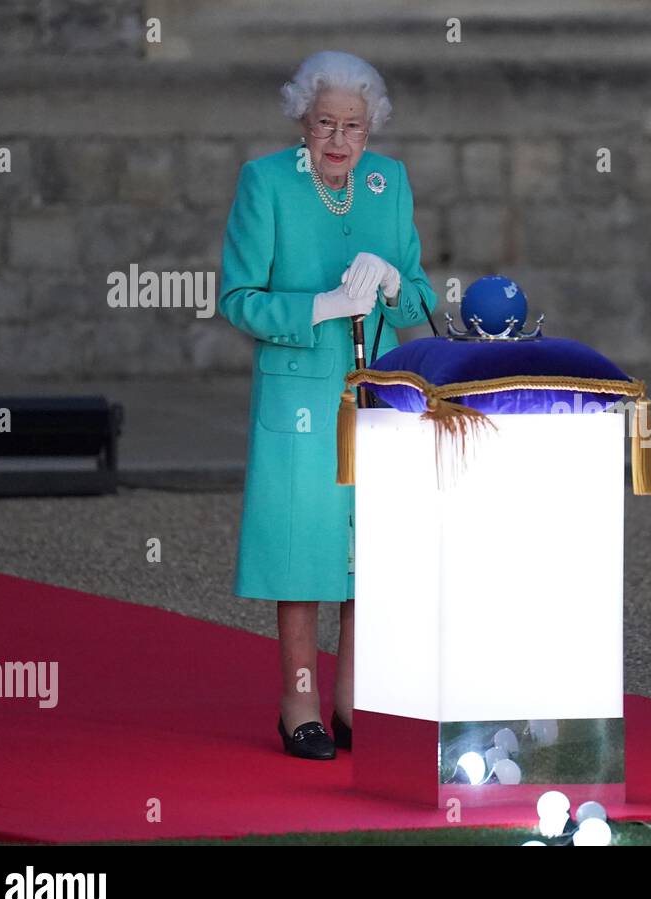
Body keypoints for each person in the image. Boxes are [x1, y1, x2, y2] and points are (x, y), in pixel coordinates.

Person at [218, 50, 438, 759]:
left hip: (376, 398)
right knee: (302, 551)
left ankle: (354, 701)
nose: (340, 141)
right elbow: (238, 299)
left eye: (354, 128)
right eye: (325, 124)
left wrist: (395, 284)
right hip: (298, 401)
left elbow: (423, 298)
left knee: (365, 553)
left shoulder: (389, 184)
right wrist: (324, 305)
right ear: (302, 121)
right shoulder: (267, 183)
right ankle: (300, 703)